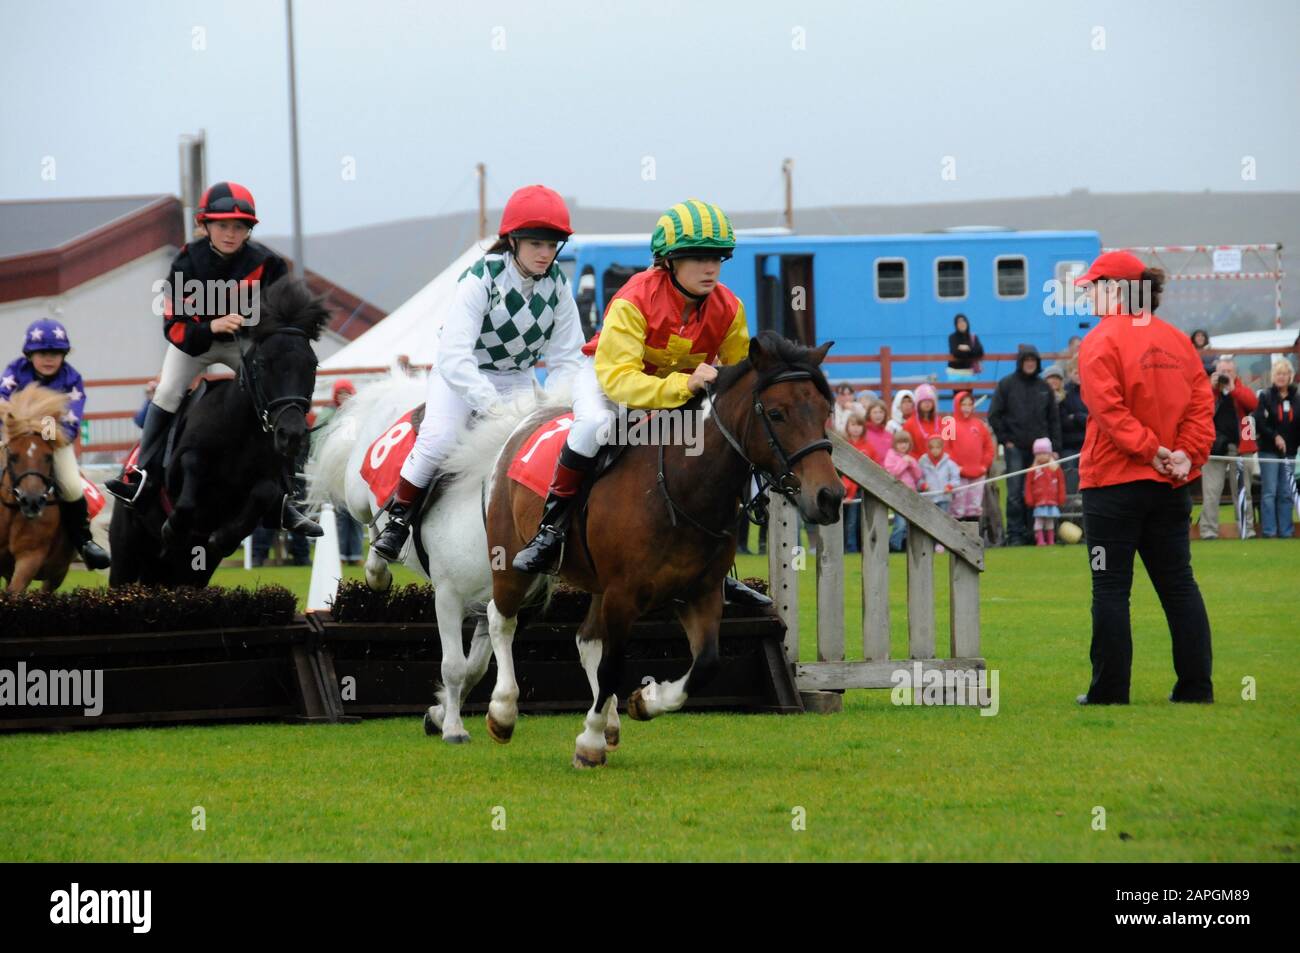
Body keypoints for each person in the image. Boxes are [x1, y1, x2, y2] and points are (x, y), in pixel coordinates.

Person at [510, 198, 769, 609]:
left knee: (721, 443)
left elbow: (737, 378)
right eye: (698, 258)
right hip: (609, 383)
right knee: (593, 427)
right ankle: (550, 531)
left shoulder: (730, 308)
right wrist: (685, 384)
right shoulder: (634, 299)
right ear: (668, 262)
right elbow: (621, 383)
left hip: (674, 393)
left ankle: (719, 572)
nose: (711, 268)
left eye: (718, 258)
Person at [370, 185, 586, 561]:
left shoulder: (558, 286)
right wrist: (489, 402)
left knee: (544, 447)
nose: (546, 253)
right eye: (537, 243)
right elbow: (454, 356)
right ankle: (398, 521)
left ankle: (550, 529)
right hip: (460, 377)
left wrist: (558, 404)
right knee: (438, 438)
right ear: (513, 241)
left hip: (518, 378)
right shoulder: (481, 278)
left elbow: (568, 357)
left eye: (552, 245)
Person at [104, 182, 318, 534]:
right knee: (168, 391)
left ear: (249, 230)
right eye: (222, 226)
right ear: (205, 225)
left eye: (239, 227)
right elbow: (173, 327)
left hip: (244, 345)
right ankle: (141, 476)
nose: (231, 234)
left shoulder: (268, 264)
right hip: (195, 343)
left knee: (271, 399)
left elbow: (284, 321)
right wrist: (212, 325)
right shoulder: (186, 262)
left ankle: (283, 497)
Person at [1073, 250, 1215, 706]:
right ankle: (1196, 688)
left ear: (1116, 289)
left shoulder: (1099, 341)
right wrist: (1182, 457)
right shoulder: (1178, 341)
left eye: (1093, 286)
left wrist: (1152, 452)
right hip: (1169, 485)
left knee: (1110, 588)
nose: (1087, 295)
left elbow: (1108, 412)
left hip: (1112, 485)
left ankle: (1110, 692)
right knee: (1179, 585)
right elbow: (1201, 408)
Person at [0, 319, 112, 569]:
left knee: (72, 486)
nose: (48, 359)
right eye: (42, 353)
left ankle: (84, 542)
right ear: (30, 354)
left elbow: (70, 423)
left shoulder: (72, 378)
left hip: (53, 441)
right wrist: (18, 430)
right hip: (14, 439)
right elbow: (2, 402)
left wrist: (40, 432)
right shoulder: (15, 371)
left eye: (56, 353)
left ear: (63, 355)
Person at [988, 346, 1061, 545]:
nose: (1030, 363)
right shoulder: (1006, 385)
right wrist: (1006, 441)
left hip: (1042, 452)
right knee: (1014, 493)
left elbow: (1054, 420)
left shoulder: (1044, 387)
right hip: (1015, 449)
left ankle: (1034, 534)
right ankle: (1015, 534)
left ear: (1037, 362)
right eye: (1026, 359)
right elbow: (994, 415)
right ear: (1020, 362)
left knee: (1040, 493)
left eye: (1033, 360)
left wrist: (1054, 448)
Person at [1198, 358, 1258, 540]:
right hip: (1213, 447)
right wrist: (1212, 387)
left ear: (1235, 373)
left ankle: (1246, 530)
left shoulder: (1241, 388)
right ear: (1215, 372)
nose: (1225, 374)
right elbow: (1199, 406)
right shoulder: (1208, 390)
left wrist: (1232, 388)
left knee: (1242, 492)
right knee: (1211, 493)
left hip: (1240, 448)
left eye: (1229, 371)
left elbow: (1253, 404)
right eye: (1222, 371)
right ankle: (1208, 532)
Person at [313, 378, 363, 563]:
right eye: (341, 393)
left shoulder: (358, 414)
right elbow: (317, 439)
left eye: (347, 393)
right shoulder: (328, 414)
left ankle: (356, 555)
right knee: (341, 515)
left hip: (354, 470)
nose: (344, 397)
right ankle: (341, 554)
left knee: (356, 515)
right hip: (336, 471)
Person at [1253, 358, 1299, 539]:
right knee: (1269, 491)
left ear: (1290, 376)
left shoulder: (1297, 398)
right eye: (1278, 374)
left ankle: (1286, 531)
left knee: (1286, 492)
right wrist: (1275, 436)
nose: (1281, 377)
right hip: (1269, 451)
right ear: (1274, 376)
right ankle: (1270, 531)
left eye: (1285, 373)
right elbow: (1259, 421)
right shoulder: (1265, 397)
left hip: (1290, 452)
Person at [946, 390, 994, 527]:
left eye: (969, 404)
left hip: (978, 473)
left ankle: (973, 540)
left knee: (974, 505)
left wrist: (984, 465)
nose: (967, 408)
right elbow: (945, 448)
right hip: (958, 474)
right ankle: (956, 539)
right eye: (963, 404)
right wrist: (955, 467)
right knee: (957, 506)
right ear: (957, 405)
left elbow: (989, 447)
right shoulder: (949, 423)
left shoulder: (979, 424)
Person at [882, 429, 922, 552]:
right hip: (897, 494)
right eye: (900, 443)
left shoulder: (910, 458)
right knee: (900, 523)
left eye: (906, 442)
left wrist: (913, 464)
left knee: (908, 523)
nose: (903, 445)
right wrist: (904, 463)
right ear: (895, 444)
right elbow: (892, 473)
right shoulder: (891, 455)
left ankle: (902, 545)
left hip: (910, 494)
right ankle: (893, 545)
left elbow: (918, 476)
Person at [1024, 437, 1065, 545]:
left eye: (1044, 453)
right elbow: (1028, 485)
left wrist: (1061, 497)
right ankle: (1040, 540)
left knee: (1049, 522)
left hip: (1051, 500)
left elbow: (1061, 484)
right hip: (1039, 501)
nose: (1041, 456)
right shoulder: (1032, 470)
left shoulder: (1056, 469)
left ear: (1049, 454)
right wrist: (1029, 499)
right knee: (1039, 521)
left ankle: (1051, 540)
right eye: (1038, 454)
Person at [840, 410, 870, 553]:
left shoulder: (869, 447)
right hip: (845, 490)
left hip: (861, 490)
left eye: (859, 425)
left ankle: (856, 546)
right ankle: (847, 547)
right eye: (853, 424)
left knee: (858, 521)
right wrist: (847, 491)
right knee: (847, 521)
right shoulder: (844, 446)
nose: (856, 428)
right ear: (847, 427)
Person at [1059, 362, 1089, 494]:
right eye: (1075, 372)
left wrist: (1076, 416)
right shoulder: (1064, 394)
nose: (1078, 375)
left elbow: (1093, 417)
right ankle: (1070, 507)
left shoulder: (1091, 391)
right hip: (1069, 445)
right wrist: (1082, 418)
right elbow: (1064, 421)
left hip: (1086, 443)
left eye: (1080, 372)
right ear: (1069, 373)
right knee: (1070, 475)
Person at [903, 383, 943, 459]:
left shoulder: (940, 421)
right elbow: (906, 448)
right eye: (924, 401)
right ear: (918, 403)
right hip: (918, 464)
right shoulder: (909, 424)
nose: (927, 403)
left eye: (930, 401)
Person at [946, 313, 984, 380]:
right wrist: (971, 352)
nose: (962, 323)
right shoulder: (952, 337)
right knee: (957, 391)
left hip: (969, 372)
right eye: (959, 322)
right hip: (955, 372)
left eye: (964, 321)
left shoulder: (973, 337)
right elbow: (955, 353)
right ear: (956, 325)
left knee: (968, 391)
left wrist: (967, 349)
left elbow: (980, 351)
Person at [861, 398, 893, 464]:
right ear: (869, 414)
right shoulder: (863, 433)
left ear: (885, 414)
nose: (878, 415)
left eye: (881, 412)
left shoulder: (890, 435)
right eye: (875, 412)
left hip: (888, 472)